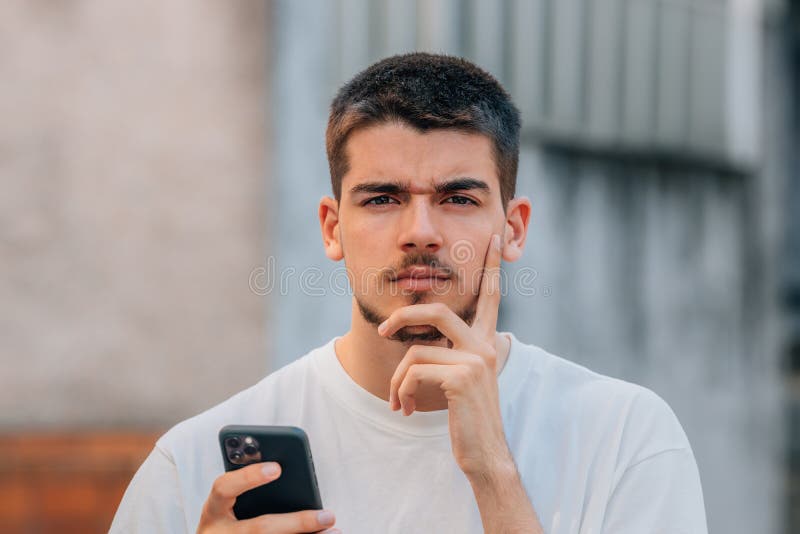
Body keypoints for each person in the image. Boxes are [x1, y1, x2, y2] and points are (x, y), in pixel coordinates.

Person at [110, 53, 707, 534]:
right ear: (332, 228)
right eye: (382, 198)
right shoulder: (189, 467)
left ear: (514, 227)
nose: (420, 232)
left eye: (457, 198)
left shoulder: (627, 438)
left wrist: (494, 474)